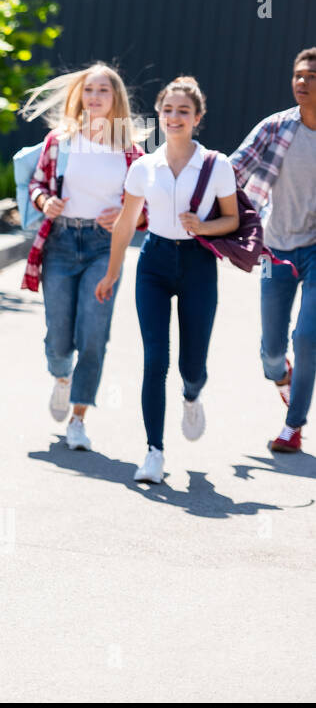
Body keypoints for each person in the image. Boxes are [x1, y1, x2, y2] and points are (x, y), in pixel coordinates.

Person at [96, 76, 239, 484]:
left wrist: (204, 227)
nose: (174, 118)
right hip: (154, 263)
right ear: (159, 113)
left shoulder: (217, 165)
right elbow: (125, 223)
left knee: (191, 365)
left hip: (198, 265)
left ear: (198, 117)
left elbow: (232, 218)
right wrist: (111, 273)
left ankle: (192, 395)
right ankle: (154, 451)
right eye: (168, 110)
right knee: (154, 360)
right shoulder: (145, 166)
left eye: (183, 111)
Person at [20, 64, 147, 451]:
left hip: (102, 248)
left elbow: (146, 209)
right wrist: (46, 200)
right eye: (88, 89)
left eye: (103, 91)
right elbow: (37, 183)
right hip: (60, 242)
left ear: (116, 99)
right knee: (59, 338)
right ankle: (61, 377)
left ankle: (78, 419)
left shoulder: (131, 152)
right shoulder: (60, 141)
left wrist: (126, 215)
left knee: (93, 334)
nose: (94, 96)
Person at [230, 47, 316, 454]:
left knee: (307, 337)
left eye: (311, 77)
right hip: (275, 250)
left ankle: (292, 427)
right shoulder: (277, 127)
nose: (302, 82)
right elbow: (233, 168)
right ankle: (282, 378)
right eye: (298, 75)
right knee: (271, 352)